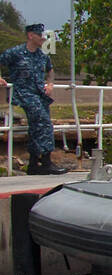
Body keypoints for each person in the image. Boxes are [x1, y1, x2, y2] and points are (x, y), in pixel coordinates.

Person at [0, 24, 67, 175]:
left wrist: (50, 84)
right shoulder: (16, 52)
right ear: (31, 35)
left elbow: (50, 70)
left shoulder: (42, 56)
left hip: (39, 94)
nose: (43, 38)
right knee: (42, 121)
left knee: (42, 124)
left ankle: (35, 163)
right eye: (39, 35)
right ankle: (45, 162)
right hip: (23, 92)